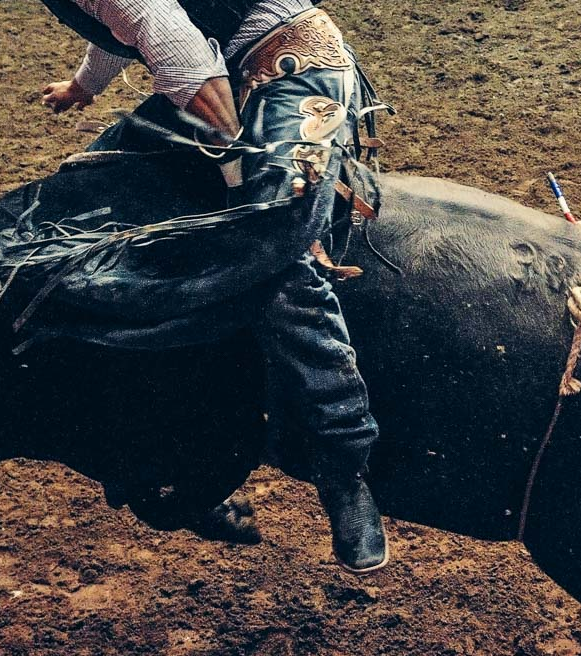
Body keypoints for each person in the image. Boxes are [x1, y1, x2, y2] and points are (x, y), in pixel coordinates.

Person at [33, 0, 388, 572]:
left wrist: (232, 163)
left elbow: (164, 31)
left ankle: (344, 467)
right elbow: (130, 20)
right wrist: (83, 86)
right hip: (228, 68)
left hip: (292, 67)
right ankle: (177, 444)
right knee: (89, 189)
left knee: (273, 249)